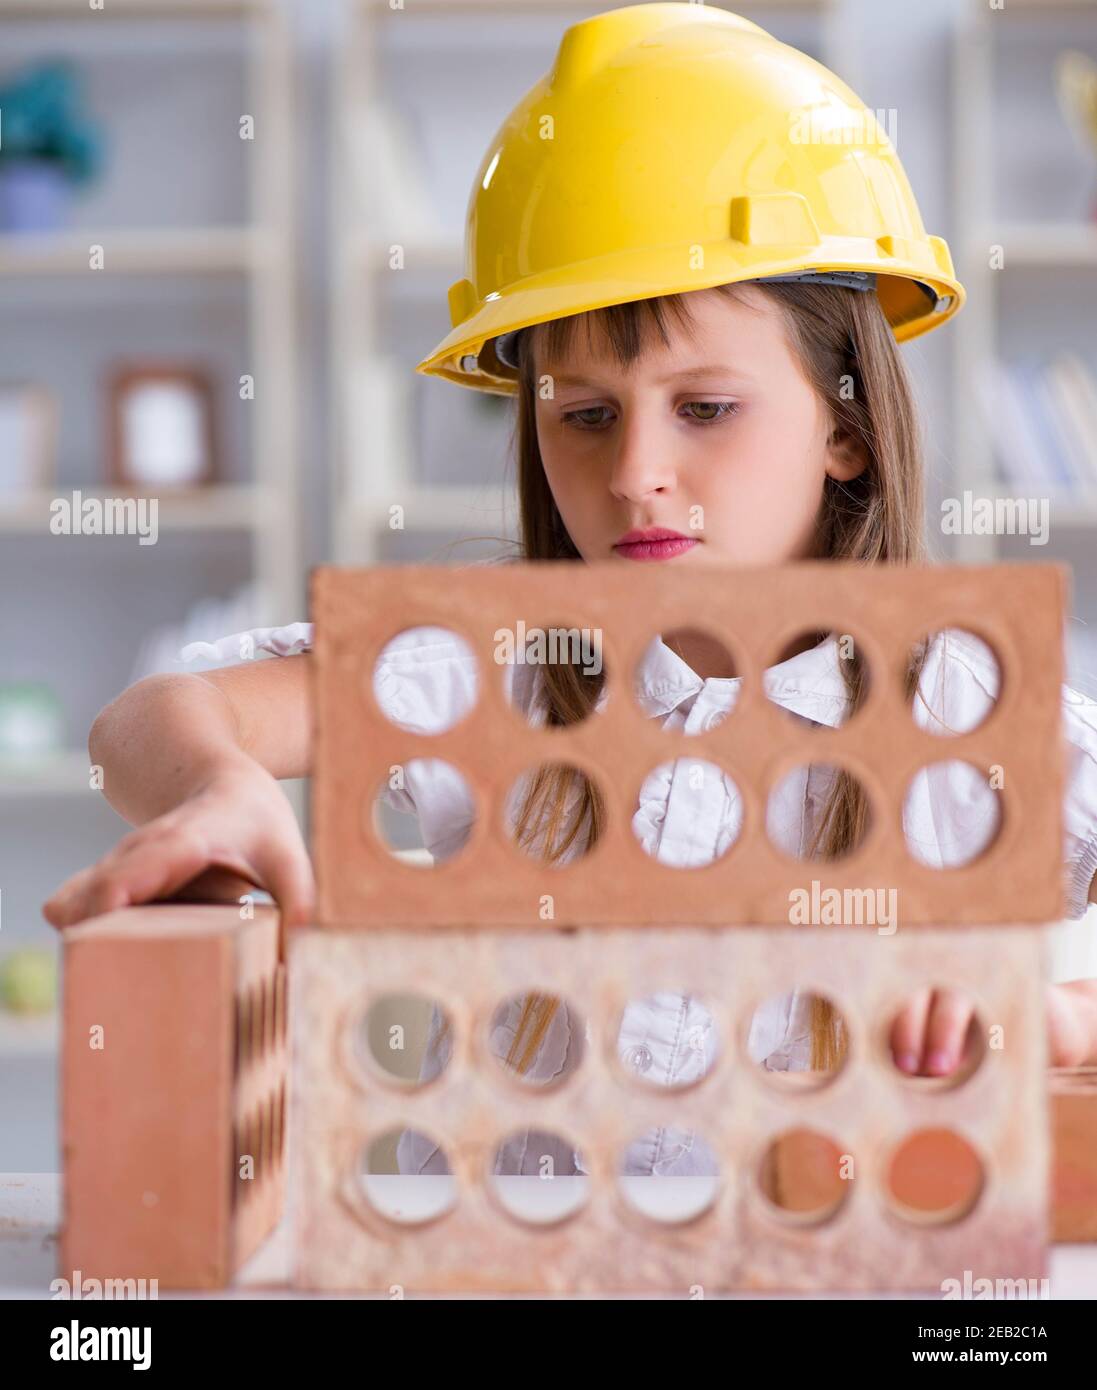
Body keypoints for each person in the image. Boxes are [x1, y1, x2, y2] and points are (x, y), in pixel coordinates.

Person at [43, 5, 1097, 1188]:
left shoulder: (967, 703)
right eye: (583, 415)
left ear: (844, 429)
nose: (635, 470)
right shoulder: (492, 659)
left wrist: (1053, 1018)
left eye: (703, 408)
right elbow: (142, 719)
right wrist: (220, 784)